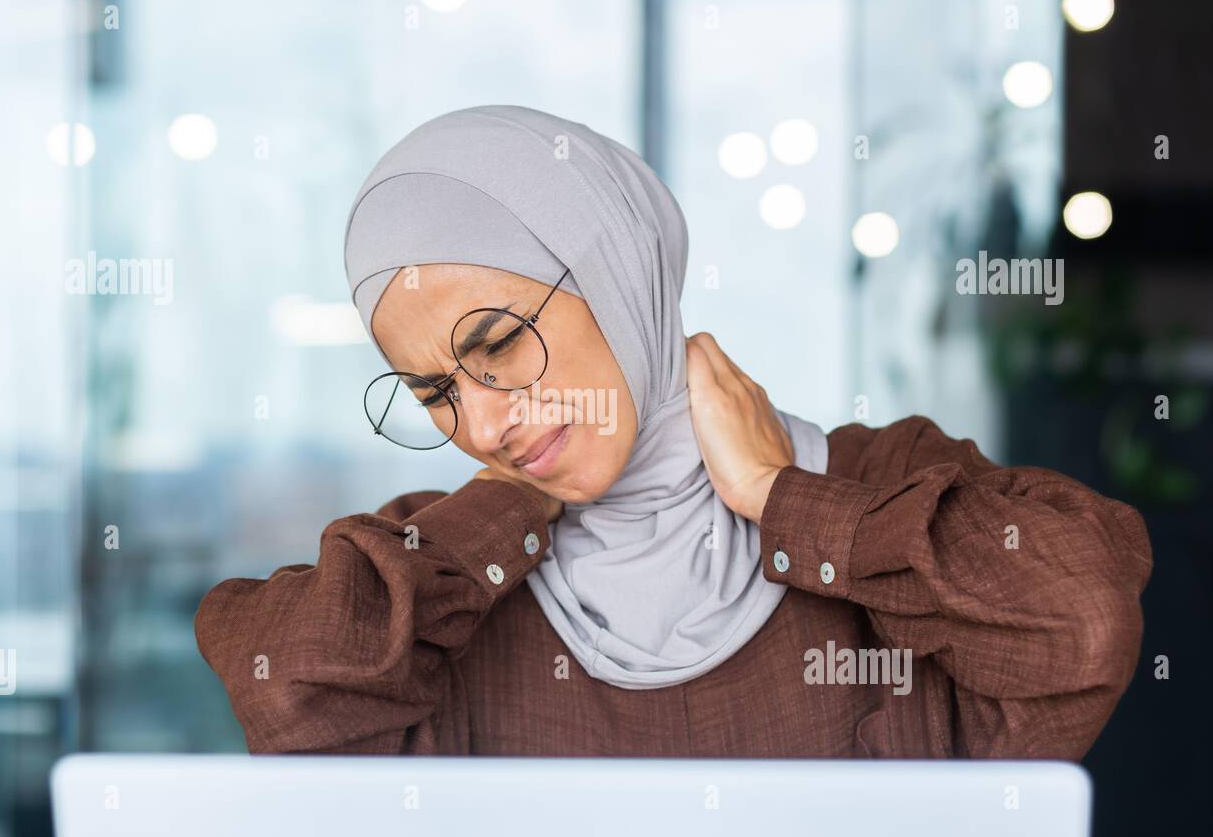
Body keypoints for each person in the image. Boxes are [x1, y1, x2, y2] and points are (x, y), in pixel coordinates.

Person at [194, 105, 1151, 759]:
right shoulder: (432, 579)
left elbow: (1082, 629)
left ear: (619, 278)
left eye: (497, 345)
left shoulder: (886, 489)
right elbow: (290, 700)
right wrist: (495, 515)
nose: (481, 423)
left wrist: (788, 502)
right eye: (435, 391)